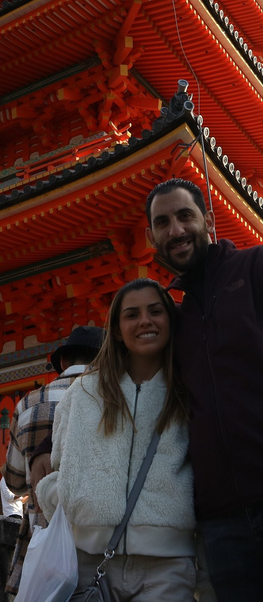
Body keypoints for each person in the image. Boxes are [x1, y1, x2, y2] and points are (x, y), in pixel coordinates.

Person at [37, 278, 196, 601]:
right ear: (117, 328)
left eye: (155, 311)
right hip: (88, 563)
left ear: (170, 319)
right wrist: (63, 496)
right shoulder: (84, 393)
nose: (145, 321)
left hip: (166, 568)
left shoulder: (189, 392)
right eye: (132, 314)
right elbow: (60, 465)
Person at [145, 177, 263, 601]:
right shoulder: (173, 321)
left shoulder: (254, 269)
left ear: (209, 220)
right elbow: (126, 391)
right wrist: (43, 440)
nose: (175, 230)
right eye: (163, 222)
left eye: (185, 216)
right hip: (221, 521)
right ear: (151, 237)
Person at [2, 325, 103, 594]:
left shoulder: (27, 403)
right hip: (99, 540)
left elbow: (14, 482)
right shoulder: (113, 397)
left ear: (63, 361)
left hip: (43, 544)